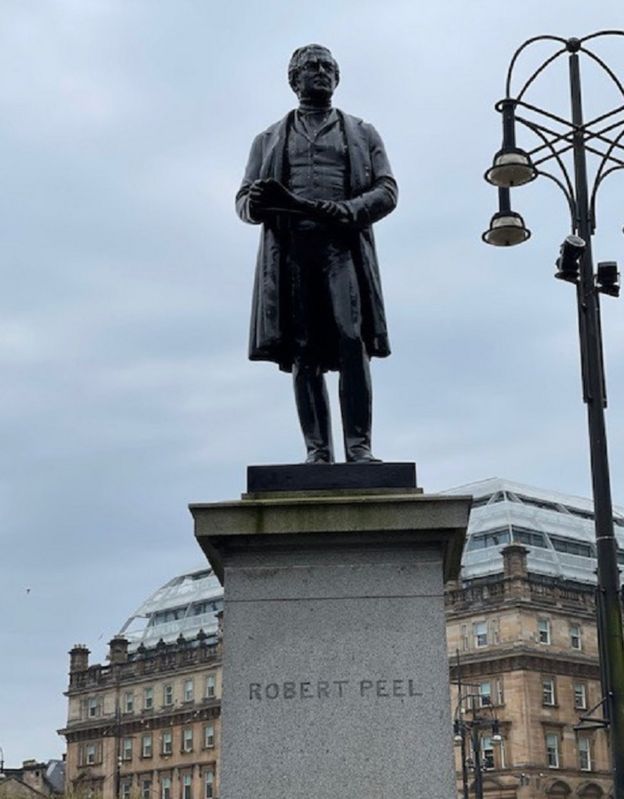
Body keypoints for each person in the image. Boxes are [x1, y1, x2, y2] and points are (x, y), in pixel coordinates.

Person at [236, 44, 397, 464]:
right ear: (294, 80)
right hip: (292, 253)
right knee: (304, 349)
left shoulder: (362, 132)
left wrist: (348, 210)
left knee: (351, 340)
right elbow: (243, 202)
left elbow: (386, 190)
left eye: (328, 66)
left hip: (341, 248)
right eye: (311, 67)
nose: (321, 72)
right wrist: (254, 201)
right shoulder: (268, 138)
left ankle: (359, 448)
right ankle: (318, 451)